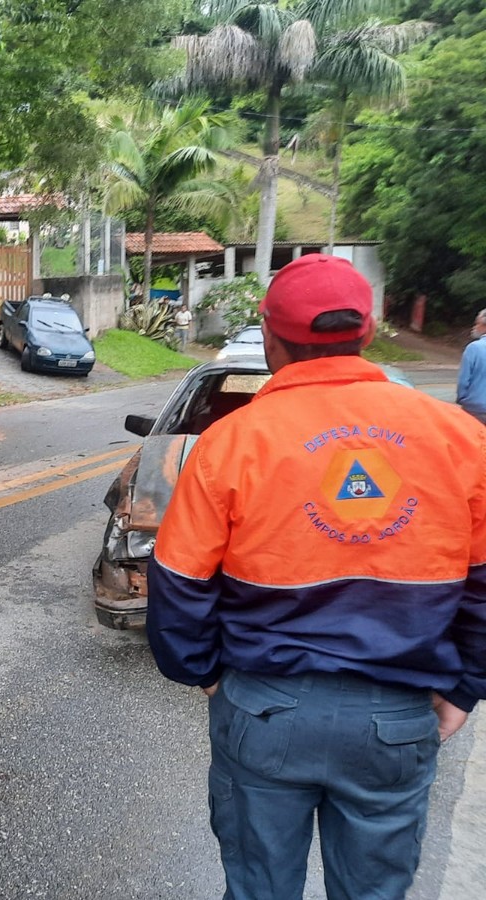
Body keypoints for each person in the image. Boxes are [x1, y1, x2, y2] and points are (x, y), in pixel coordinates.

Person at [146, 253, 486, 900]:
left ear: (269, 338)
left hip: (264, 709)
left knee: (259, 888)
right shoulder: (462, 440)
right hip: (397, 718)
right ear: (368, 332)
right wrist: (466, 687)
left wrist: (206, 674)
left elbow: (178, 583)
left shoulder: (229, 443)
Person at [456, 308, 486, 424]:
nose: (474, 327)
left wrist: (462, 399)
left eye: (477, 324)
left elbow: (464, 380)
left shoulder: (474, 348)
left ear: (484, 326)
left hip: (476, 409)